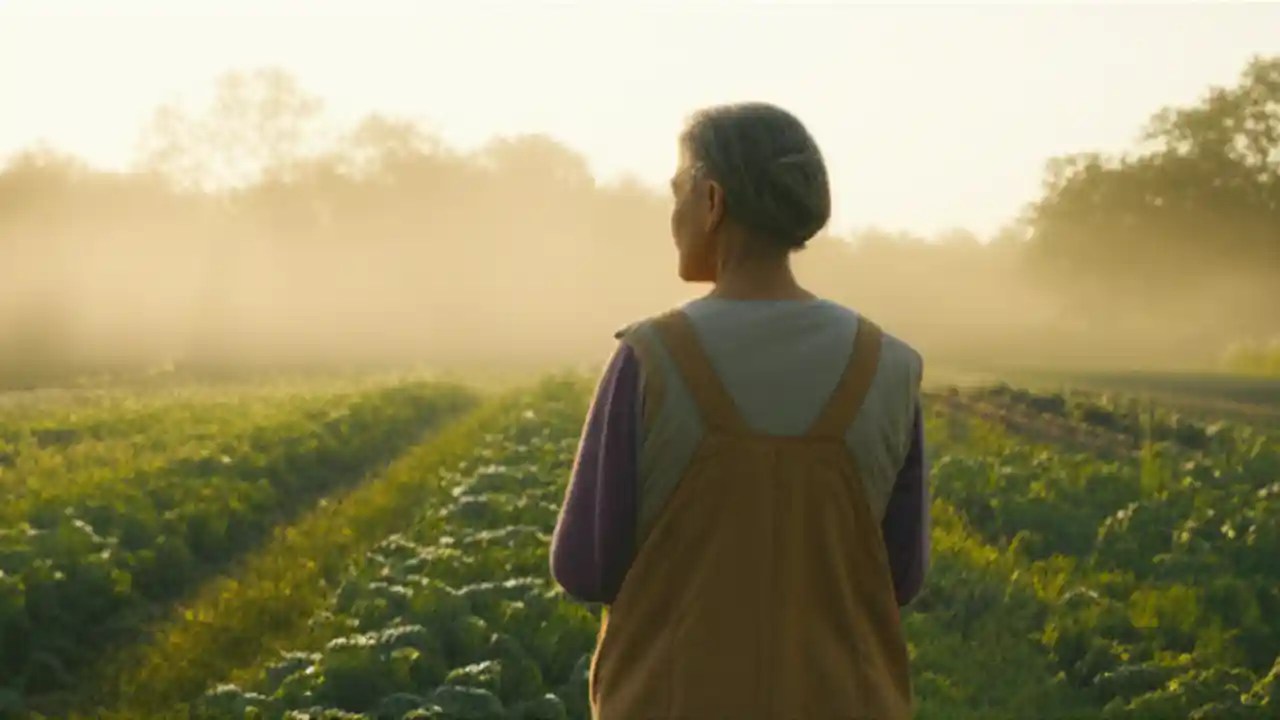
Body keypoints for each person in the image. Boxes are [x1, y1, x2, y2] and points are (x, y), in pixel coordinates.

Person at [550, 102, 929, 719]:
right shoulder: (889, 365)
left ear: (712, 201)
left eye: (678, 192)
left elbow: (585, 567)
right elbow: (903, 576)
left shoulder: (649, 357)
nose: (672, 215)